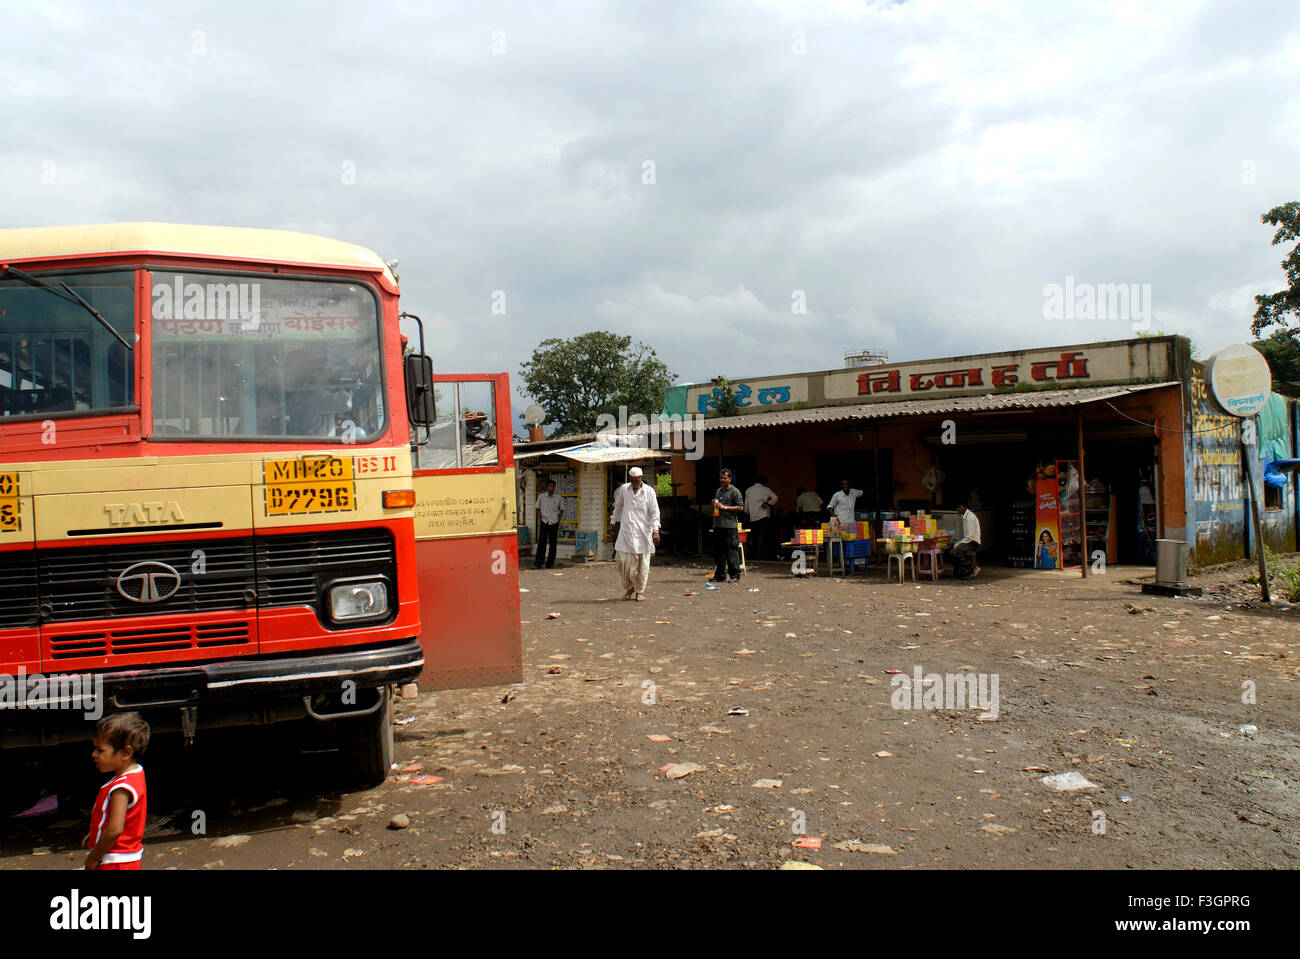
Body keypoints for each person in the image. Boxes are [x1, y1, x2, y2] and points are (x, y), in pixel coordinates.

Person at [84, 712, 150, 871]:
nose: (94, 755)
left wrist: (93, 857)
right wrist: (95, 835)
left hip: (114, 861)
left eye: (100, 750)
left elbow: (114, 830)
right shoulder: (136, 774)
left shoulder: (121, 789)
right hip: (127, 860)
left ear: (126, 752)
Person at [608, 466, 661, 601]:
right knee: (622, 562)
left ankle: (639, 591)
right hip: (626, 532)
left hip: (643, 533)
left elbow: (655, 512)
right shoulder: (624, 489)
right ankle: (629, 588)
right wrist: (612, 522)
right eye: (631, 480)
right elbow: (618, 506)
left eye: (636, 479)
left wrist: (655, 531)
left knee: (642, 564)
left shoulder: (649, 492)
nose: (634, 482)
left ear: (641, 478)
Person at [711, 468, 745, 583]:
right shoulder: (718, 491)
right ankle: (720, 575)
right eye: (721, 478)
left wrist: (724, 507)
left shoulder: (735, 492)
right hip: (718, 525)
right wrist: (715, 504)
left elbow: (740, 507)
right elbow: (718, 505)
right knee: (718, 552)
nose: (722, 480)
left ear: (730, 479)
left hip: (729, 526)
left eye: (725, 478)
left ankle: (735, 576)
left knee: (731, 551)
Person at [744, 475, 778, 562]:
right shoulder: (766, 489)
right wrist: (768, 503)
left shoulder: (749, 490)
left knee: (754, 537)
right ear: (764, 482)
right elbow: (775, 498)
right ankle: (759, 554)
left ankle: (754, 554)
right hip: (763, 516)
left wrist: (747, 514)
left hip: (753, 516)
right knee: (762, 536)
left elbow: (746, 506)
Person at [534, 479, 563, 569]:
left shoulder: (558, 498)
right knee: (541, 543)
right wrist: (540, 518)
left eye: (553, 486)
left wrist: (558, 520)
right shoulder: (541, 497)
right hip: (544, 522)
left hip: (554, 523)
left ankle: (550, 563)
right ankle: (538, 563)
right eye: (550, 486)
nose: (552, 488)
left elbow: (561, 510)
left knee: (553, 544)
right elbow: (537, 508)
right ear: (547, 487)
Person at [949, 503, 982, 580]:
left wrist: (958, 543)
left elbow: (970, 536)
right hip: (968, 540)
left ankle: (972, 568)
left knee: (956, 551)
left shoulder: (970, 518)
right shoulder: (965, 516)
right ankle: (963, 571)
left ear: (964, 507)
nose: (958, 509)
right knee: (949, 551)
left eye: (959, 507)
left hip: (973, 541)